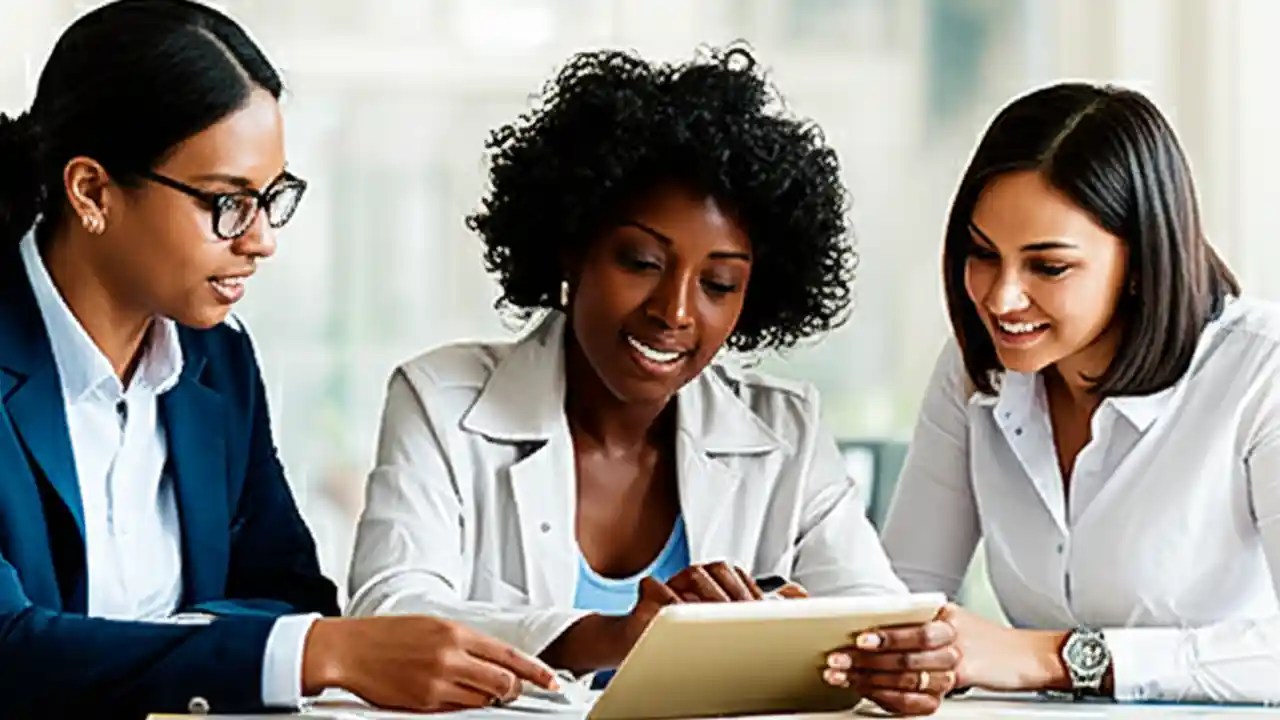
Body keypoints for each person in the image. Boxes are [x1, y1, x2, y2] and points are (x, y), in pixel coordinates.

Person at [348, 46, 960, 716]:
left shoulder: (785, 430)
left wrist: (908, 662)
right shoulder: (441, 399)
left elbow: (876, 615)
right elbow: (389, 614)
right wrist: (615, 637)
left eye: (719, 284)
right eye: (640, 261)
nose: (673, 312)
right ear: (571, 247)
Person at [0, 2, 554, 717]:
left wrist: (138, 652)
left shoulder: (216, 362)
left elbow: (291, 594)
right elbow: (10, 649)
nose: (261, 240)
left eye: (272, 199)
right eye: (226, 203)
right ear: (93, 191)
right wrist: (316, 652)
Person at [878, 82, 1280, 704]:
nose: (1000, 299)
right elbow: (900, 600)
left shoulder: (1261, 369)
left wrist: (1052, 657)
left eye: (1048, 266)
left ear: (1141, 262)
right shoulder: (972, 368)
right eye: (983, 254)